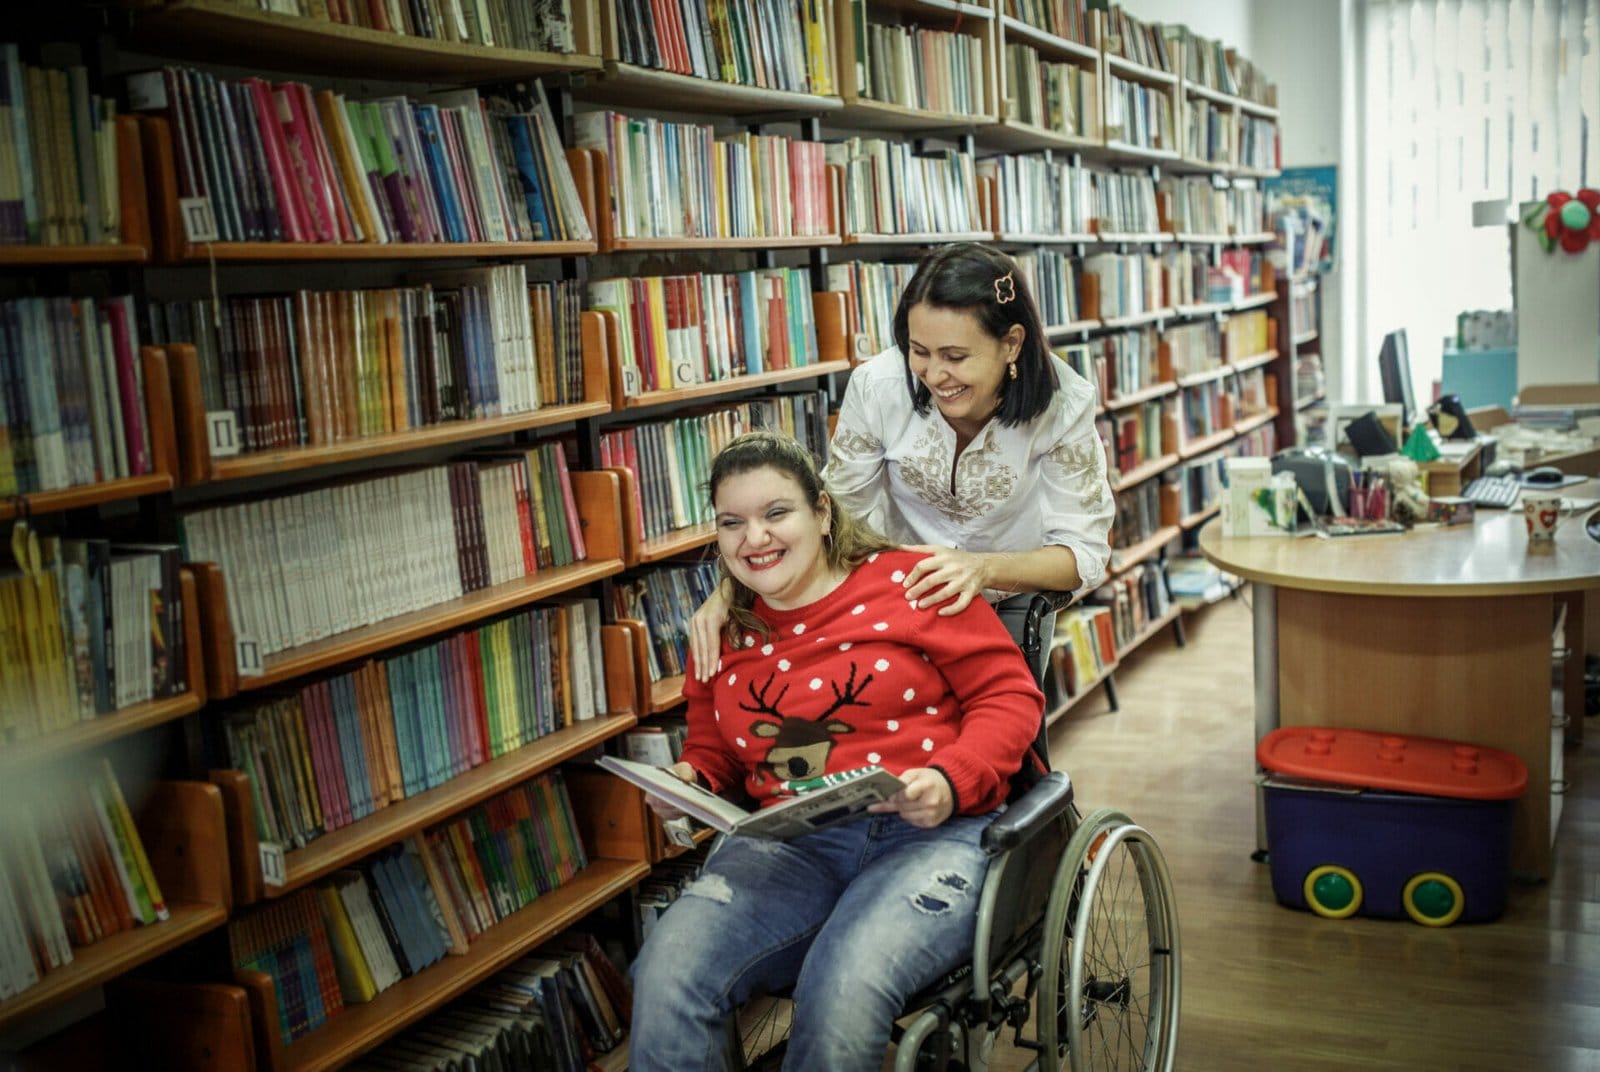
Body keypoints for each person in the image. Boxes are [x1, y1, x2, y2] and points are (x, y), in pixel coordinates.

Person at [629, 431, 1044, 1072]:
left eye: (776, 513)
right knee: (666, 972)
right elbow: (715, 750)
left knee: (842, 986)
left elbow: (1008, 696)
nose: (755, 538)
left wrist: (949, 779)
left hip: (932, 834)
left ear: (822, 513)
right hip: (790, 846)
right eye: (732, 523)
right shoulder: (721, 630)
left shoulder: (911, 584)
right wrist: (688, 780)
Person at [691, 242, 1114, 681]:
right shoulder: (878, 386)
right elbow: (836, 513)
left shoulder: (1065, 405)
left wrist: (983, 567)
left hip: (1010, 600)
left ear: (1011, 343)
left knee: (1002, 711)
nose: (934, 375)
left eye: (955, 357)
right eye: (919, 351)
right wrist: (734, 591)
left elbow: (1082, 555)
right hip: (895, 600)